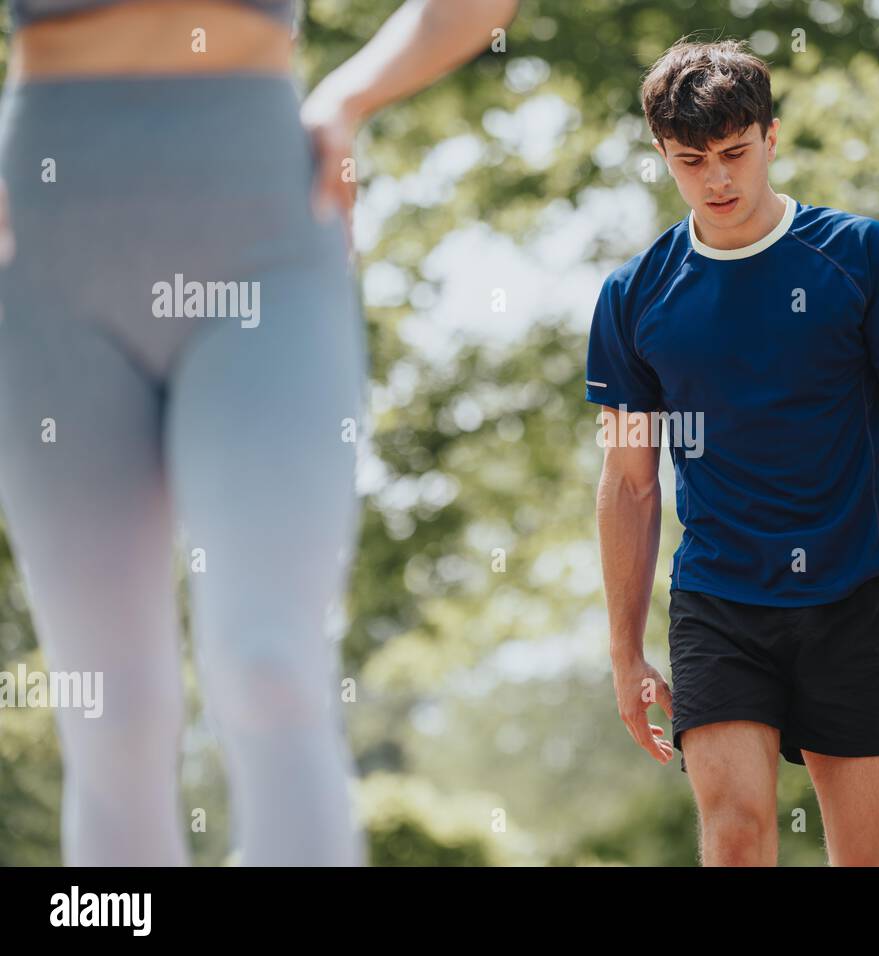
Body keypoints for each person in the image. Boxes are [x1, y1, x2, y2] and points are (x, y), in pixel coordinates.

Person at [0, 0, 519, 866]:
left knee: (269, 667)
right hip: (45, 239)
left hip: (265, 222)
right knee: (110, 709)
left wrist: (349, 98)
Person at [588, 38, 879, 866]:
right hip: (719, 601)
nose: (718, 179)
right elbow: (628, 485)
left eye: (735, 153)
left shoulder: (858, 255)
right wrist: (624, 654)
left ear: (772, 136)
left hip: (854, 592)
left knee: (869, 856)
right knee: (734, 835)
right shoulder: (633, 296)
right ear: (662, 155)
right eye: (692, 161)